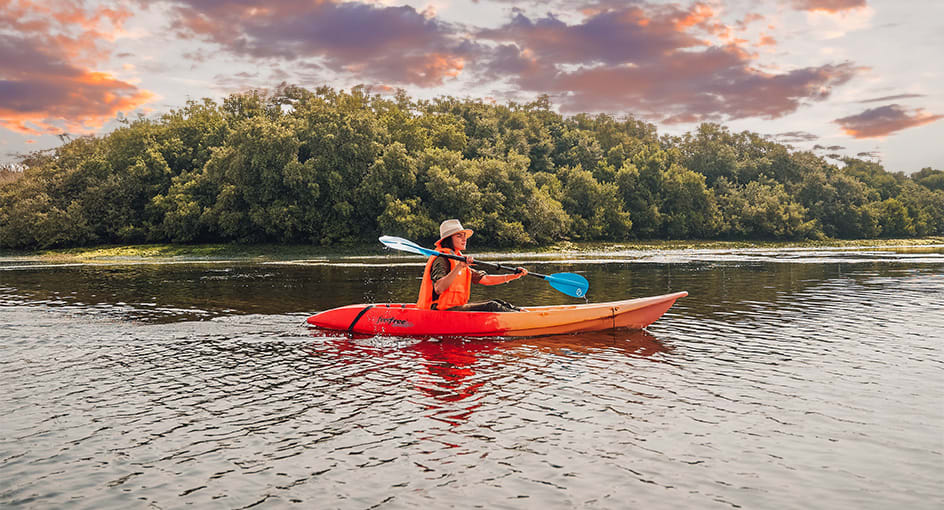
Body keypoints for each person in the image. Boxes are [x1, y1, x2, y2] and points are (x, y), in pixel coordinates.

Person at [416, 219, 527, 312]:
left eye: (464, 236)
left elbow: (486, 279)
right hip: (439, 311)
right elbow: (439, 288)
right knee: (492, 306)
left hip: (455, 309)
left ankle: (522, 313)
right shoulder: (441, 259)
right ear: (448, 239)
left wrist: (513, 276)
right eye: (459, 236)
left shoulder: (457, 258)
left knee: (497, 302)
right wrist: (459, 267)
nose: (464, 239)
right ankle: (523, 319)